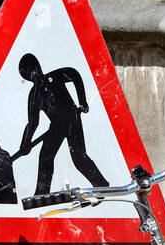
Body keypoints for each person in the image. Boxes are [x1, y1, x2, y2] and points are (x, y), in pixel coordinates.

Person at [13, 53, 110, 196]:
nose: (33, 76)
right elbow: (33, 122)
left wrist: (82, 101)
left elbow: (74, 74)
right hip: (56, 126)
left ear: (37, 67)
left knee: (78, 157)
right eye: (28, 75)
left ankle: (101, 186)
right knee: (45, 156)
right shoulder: (34, 94)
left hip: (72, 119)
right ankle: (42, 192)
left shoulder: (54, 77)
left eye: (32, 71)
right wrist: (25, 142)